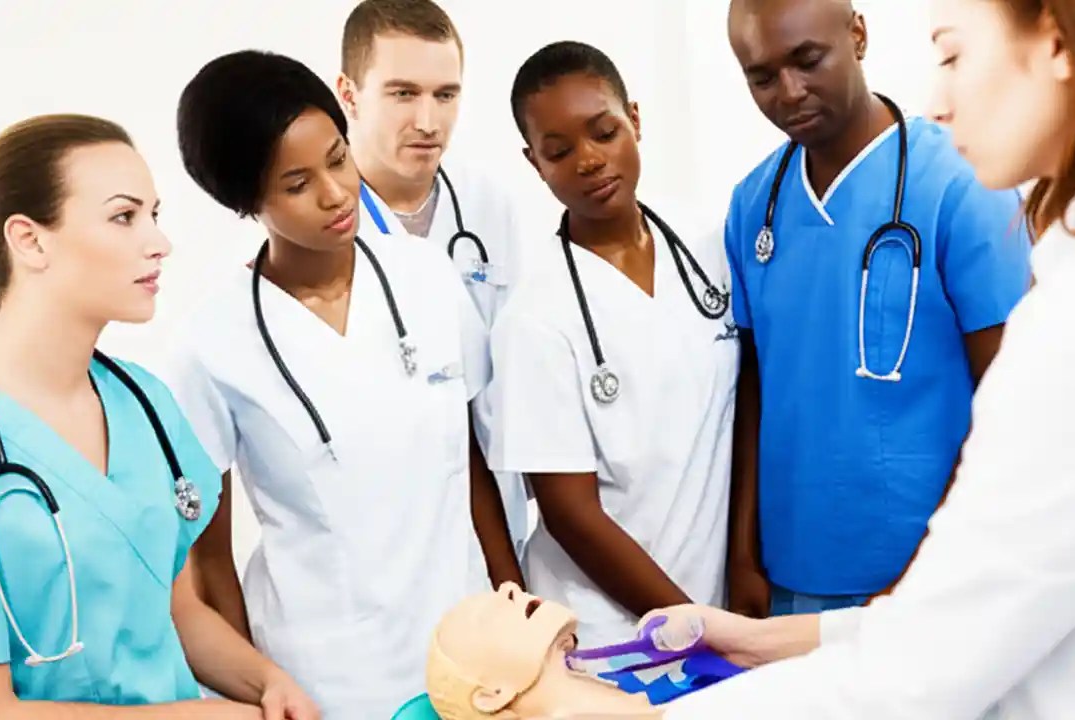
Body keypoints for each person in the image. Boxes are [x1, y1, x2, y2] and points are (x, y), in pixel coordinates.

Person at [646, 0, 1075, 716]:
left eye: (953, 56)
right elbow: (956, 625)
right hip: (835, 580)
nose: (938, 102)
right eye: (761, 75)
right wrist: (762, 637)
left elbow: (925, 667)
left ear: (1057, 44)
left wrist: (630, 714)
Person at [167, 50, 522, 718]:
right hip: (329, 681)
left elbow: (469, 464)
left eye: (337, 159)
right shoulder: (212, 342)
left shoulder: (426, 276)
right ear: (245, 200)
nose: (335, 193)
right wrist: (255, 693)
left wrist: (515, 605)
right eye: (296, 184)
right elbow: (209, 561)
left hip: (472, 652)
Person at [0, 114, 317, 718]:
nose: (159, 242)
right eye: (124, 216)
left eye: (154, 214)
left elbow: (175, 610)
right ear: (29, 241)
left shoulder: (145, 402)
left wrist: (266, 681)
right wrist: (193, 718)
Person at [722, 0, 1033, 618]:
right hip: (792, 572)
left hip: (934, 577)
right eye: (762, 76)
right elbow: (755, 382)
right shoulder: (754, 204)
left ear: (857, 35)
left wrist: (938, 569)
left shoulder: (961, 183)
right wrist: (742, 555)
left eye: (808, 60)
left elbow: (1014, 395)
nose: (790, 91)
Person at [488, 41, 739, 648]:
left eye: (604, 132)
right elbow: (570, 515)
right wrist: (695, 625)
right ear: (534, 163)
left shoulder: (706, 248)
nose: (589, 160)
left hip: (715, 603)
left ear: (635, 119)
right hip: (607, 629)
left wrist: (737, 584)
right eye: (559, 151)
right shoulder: (535, 317)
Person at [335, 0, 530, 554]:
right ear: (348, 94)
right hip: (382, 538)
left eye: (446, 95)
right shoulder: (315, 224)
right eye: (403, 93)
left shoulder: (488, 205)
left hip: (498, 526)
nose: (428, 122)